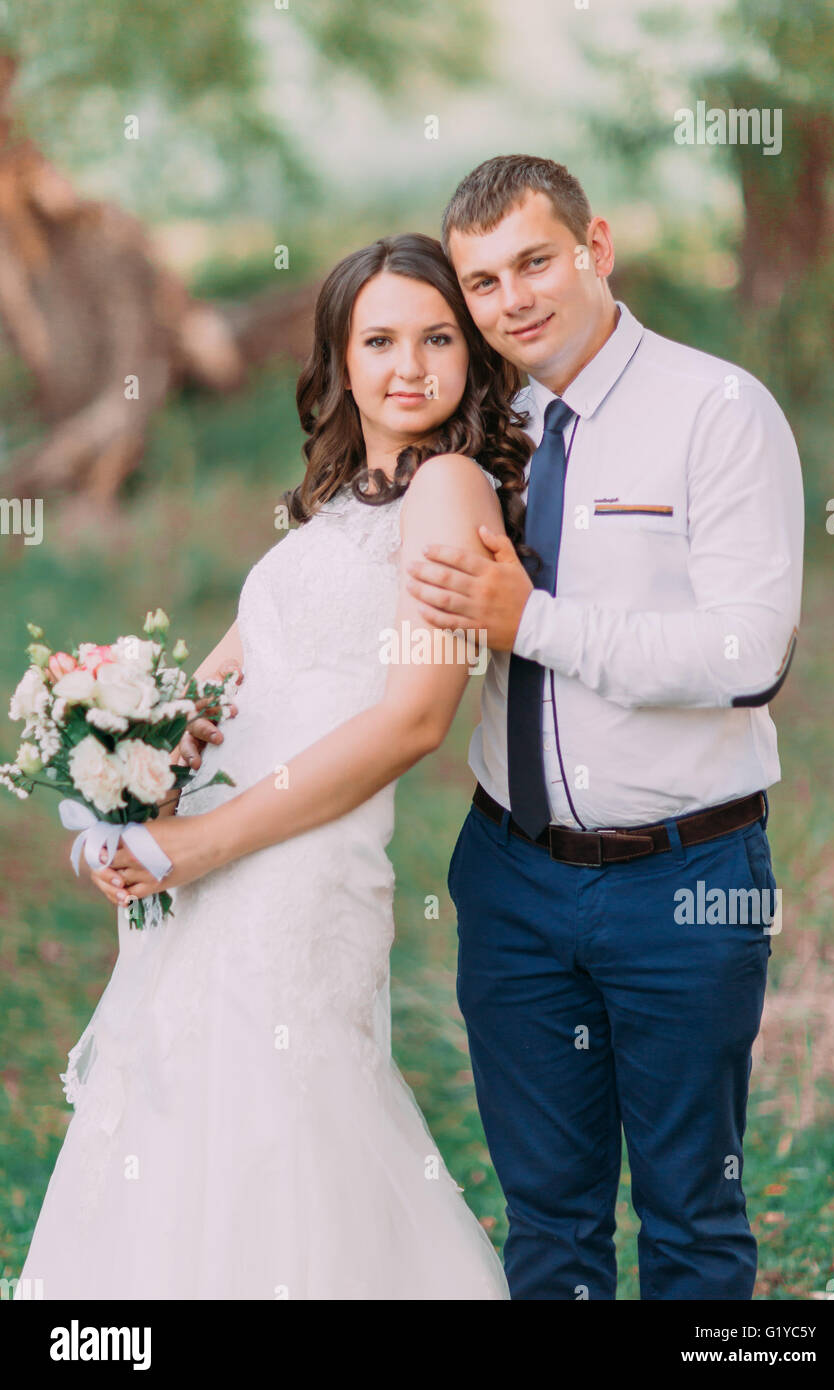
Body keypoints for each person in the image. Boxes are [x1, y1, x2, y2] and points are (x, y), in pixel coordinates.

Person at [15, 232, 531, 1300]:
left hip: (293, 868)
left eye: (436, 337)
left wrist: (198, 840)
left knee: (277, 1118)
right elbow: (216, 688)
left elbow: (409, 723)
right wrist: (125, 775)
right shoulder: (335, 503)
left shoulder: (448, 490)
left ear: (470, 355)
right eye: (378, 338)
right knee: (186, 1110)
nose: (408, 363)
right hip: (208, 860)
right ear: (338, 359)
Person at [404, 154, 804, 1300]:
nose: (511, 300)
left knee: (690, 1219)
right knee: (549, 1223)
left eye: (534, 261)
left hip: (682, 880)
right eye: (481, 283)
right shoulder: (478, 429)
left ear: (597, 247)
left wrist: (531, 622)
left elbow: (747, 657)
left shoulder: (714, 409)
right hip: (510, 878)